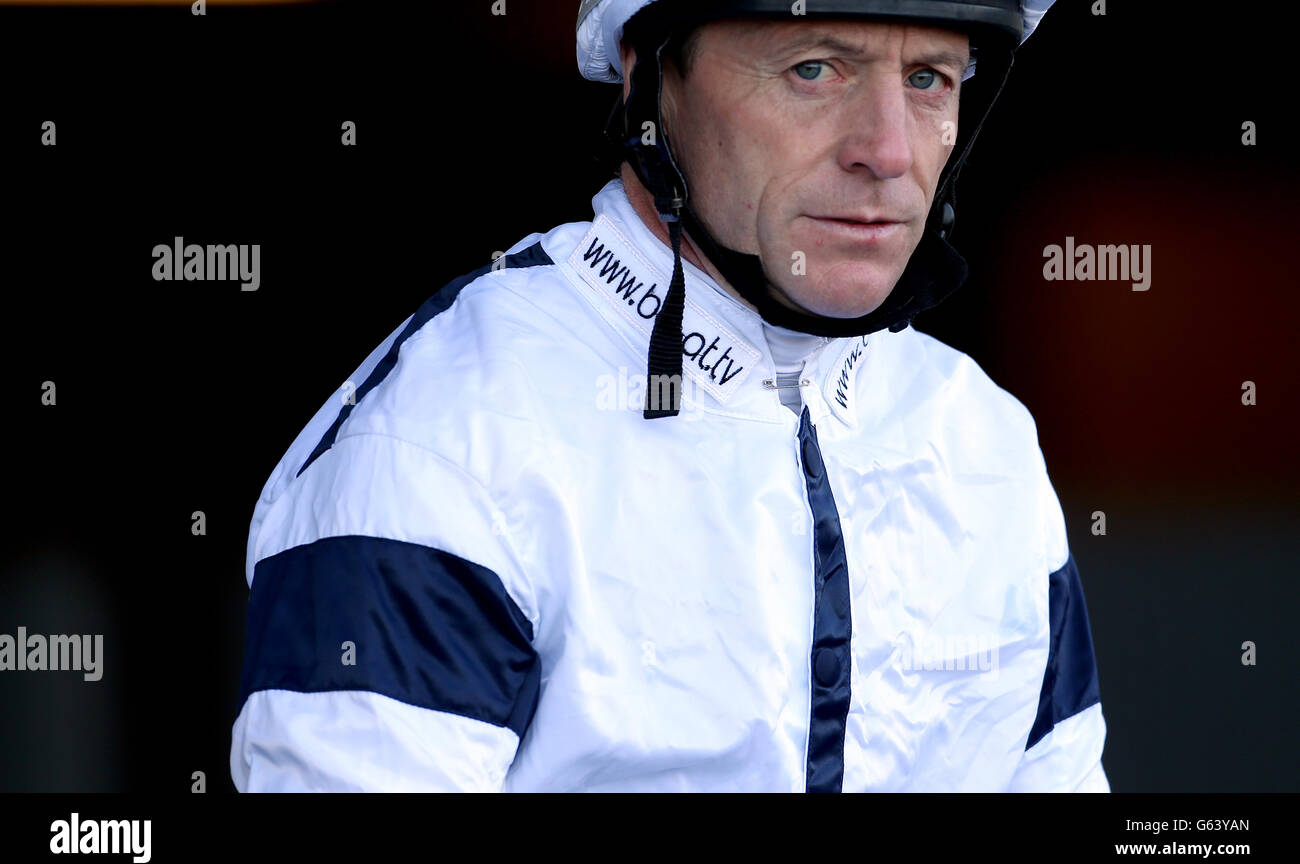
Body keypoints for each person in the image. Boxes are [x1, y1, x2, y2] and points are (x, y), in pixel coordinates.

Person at [230, 0, 1109, 792]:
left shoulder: (988, 442)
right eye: (813, 68)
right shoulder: (446, 433)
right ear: (647, 76)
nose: (886, 150)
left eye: (927, 79)